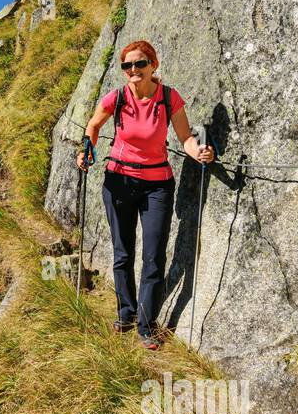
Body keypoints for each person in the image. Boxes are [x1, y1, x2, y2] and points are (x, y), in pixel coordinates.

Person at [76, 40, 214, 350]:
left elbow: (185, 138)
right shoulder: (118, 97)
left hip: (157, 186)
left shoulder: (168, 97)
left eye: (140, 64)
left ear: (153, 65)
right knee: (123, 252)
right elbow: (94, 125)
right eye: (127, 66)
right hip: (119, 182)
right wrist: (87, 149)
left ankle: (147, 324)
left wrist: (199, 153)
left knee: (154, 256)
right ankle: (126, 313)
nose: (133, 70)